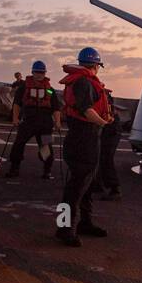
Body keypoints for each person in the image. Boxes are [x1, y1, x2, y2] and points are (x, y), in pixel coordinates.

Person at [55, 47, 113, 247]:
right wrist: (104, 124)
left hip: (85, 139)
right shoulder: (83, 83)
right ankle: (64, 228)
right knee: (75, 187)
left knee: (86, 184)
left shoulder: (80, 81)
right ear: (96, 65)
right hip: (83, 139)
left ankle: (85, 223)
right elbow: (86, 110)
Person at [6, 61, 60, 179]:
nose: (39, 74)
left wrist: (58, 122)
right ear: (32, 72)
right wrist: (15, 118)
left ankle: (47, 171)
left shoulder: (50, 90)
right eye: (37, 72)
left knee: (46, 146)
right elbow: (17, 104)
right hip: (28, 121)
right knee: (19, 144)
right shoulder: (24, 87)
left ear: (45, 73)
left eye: (41, 72)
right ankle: (14, 168)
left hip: (45, 123)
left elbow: (56, 107)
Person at [88, 86, 123, 200]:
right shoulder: (98, 93)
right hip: (109, 127)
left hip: (110, 129)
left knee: (105, 157)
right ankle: (98, 184)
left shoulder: (95, 94)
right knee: (99, 156)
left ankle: (115, 189)